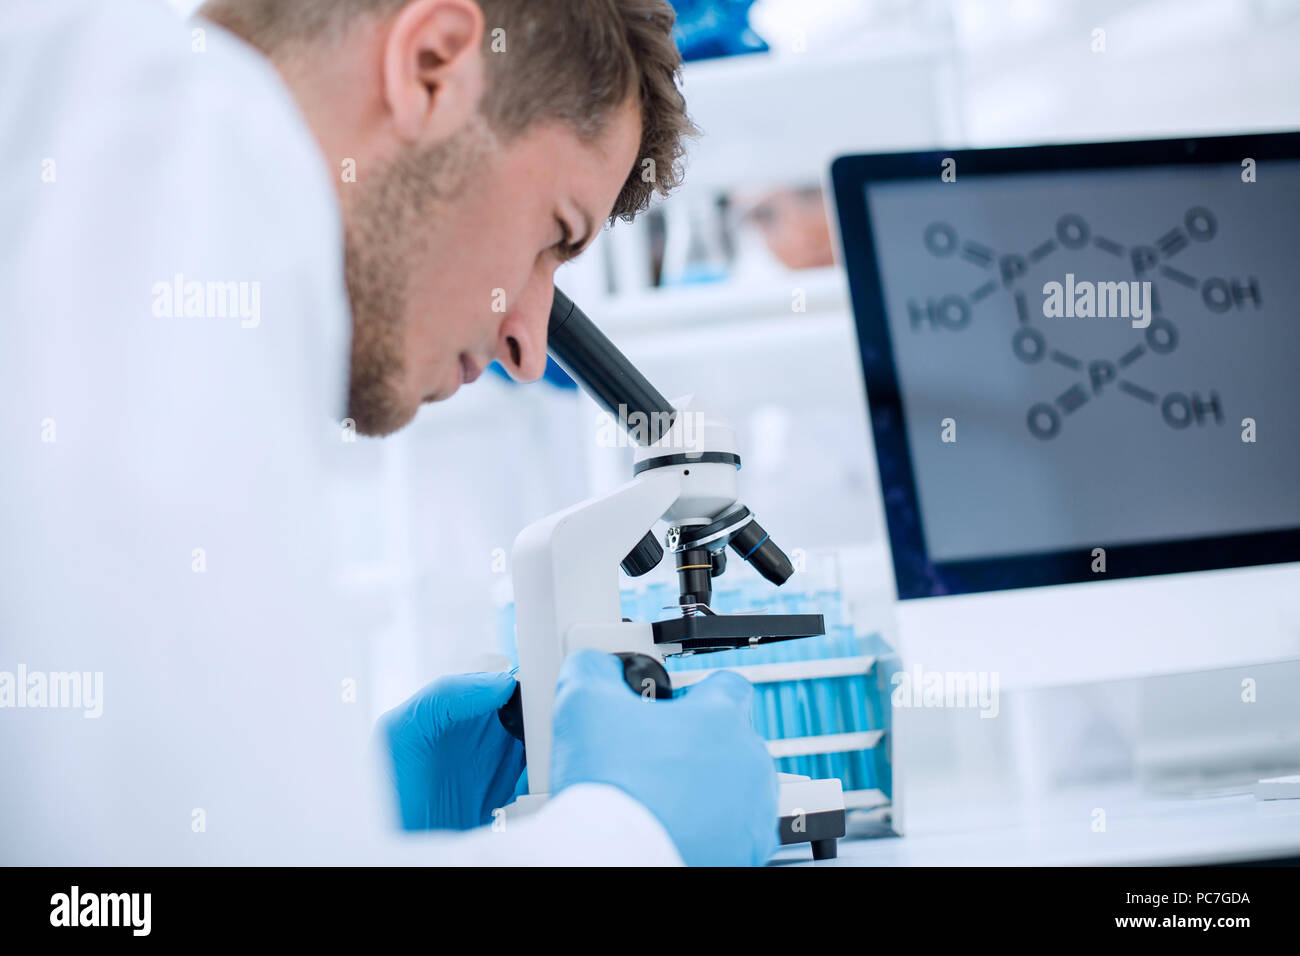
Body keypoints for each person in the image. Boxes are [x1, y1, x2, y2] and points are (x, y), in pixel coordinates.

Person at [0, 0, 779, 866]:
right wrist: (632, 840)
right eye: (552, 235)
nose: (529, 346)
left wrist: (350, 809)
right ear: (433, 67)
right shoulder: (181, 148)